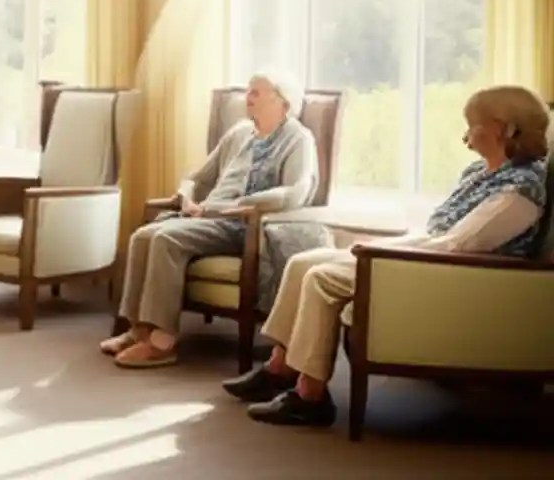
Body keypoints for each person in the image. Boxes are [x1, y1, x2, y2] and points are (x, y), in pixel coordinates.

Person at [222, 85, 549, 428]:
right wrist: (384, 244)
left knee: (321, 278)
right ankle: (280, 367)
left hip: (449, 279)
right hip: (425, 261)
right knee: (305, 260)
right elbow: (440, 232)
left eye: (472, 124)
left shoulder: (519, 191)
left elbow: (458, 246)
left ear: (499, 128)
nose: (465, 133)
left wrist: (383, 252)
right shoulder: (481, 174)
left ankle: (310, 395)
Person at [101, 71, 319, 368]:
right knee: (143, 235)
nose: (248, 98)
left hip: (244, 225)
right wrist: (186, 196)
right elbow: (197, 177)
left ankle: (162, 342)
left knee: (166, 238)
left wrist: (240, 205)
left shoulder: (298, 139)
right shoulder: (240, 133)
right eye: (248, 91)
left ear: (282, 101)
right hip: (208, 218)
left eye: (256, 92)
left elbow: (297, 191)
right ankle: (138, 329)